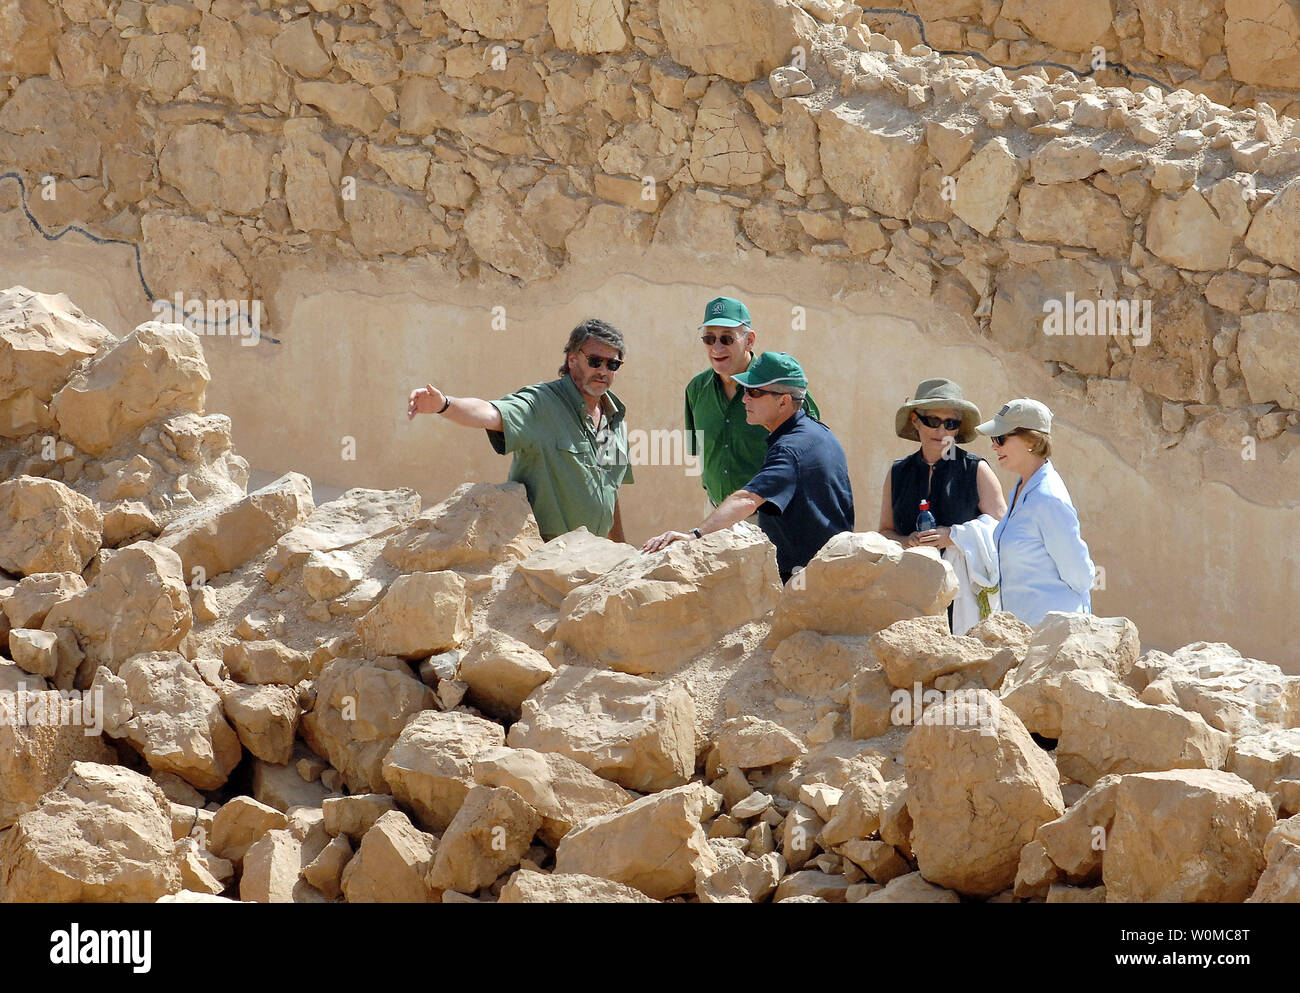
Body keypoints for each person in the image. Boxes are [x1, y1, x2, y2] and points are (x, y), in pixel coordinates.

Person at [406, 317, 633, 543]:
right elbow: (490, 413)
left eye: (612, 364)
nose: (603, 371)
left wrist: (622, 552)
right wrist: (445, 404)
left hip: (596, 559)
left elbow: (609, 492)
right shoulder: (541, 404)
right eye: (595, 361)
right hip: (545, 559)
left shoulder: (614, 418)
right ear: (572, 360)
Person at [643, 352, 853, 583]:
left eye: (755, 392)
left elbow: (747, 499)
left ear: (783, 401)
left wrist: (693, 536)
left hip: (805, 582)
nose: (744, 399)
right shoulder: (817, 432)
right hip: (826, 574)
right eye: (745, 390)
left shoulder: (790, 449)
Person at [878, 378, 1007, 633]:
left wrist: (953, 536)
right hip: (910, 597)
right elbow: (884, 533)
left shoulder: (976, 469)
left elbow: (1003, 533)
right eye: (933, 421)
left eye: (950, 424)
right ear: (915, 420)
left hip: (963, 600)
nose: (942, 431)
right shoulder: (898, 472)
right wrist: (908, 542)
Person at [684, 296, 820, 513]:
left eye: (727, 339)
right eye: (709, 339)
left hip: (771, 520)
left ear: (749, 340)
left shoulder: (781, 385)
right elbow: (698, 449)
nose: (716, 347)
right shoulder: (696, 389)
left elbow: (813, 454)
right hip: (715, 512)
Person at [975, 398, 1094, 627]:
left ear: (1031, 440)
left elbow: (1080, 575)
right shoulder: (1021, 489)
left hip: (1052, 636)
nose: (994, 446)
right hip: (1026, 632)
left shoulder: (1047, 498)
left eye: (1000, 438)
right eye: (993, 439)